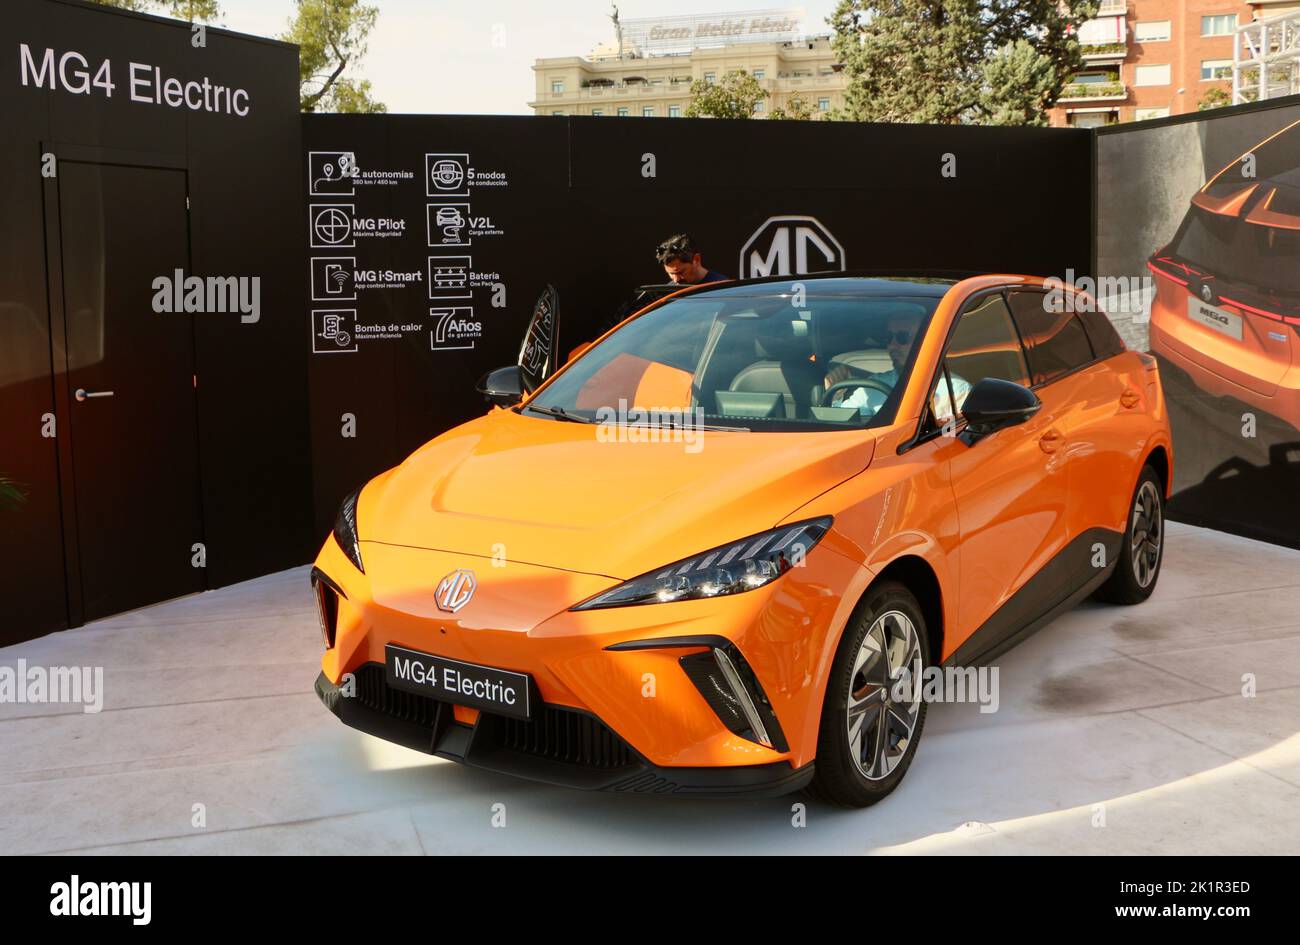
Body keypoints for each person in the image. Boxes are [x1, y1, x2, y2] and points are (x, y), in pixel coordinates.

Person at [824, 312, 970, 420]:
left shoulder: (955, 390)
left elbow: (952, 441)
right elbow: (843, 425)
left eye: (902, 337)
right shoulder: (873, 385)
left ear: (925, 341)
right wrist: (836, 396)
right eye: (888, 337)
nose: (892, 345)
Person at [655, 234, 730, 285]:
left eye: (680, 272)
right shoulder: (667, 292)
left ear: (697, 259)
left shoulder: (722, 288)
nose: (676, 280)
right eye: (671, 273)